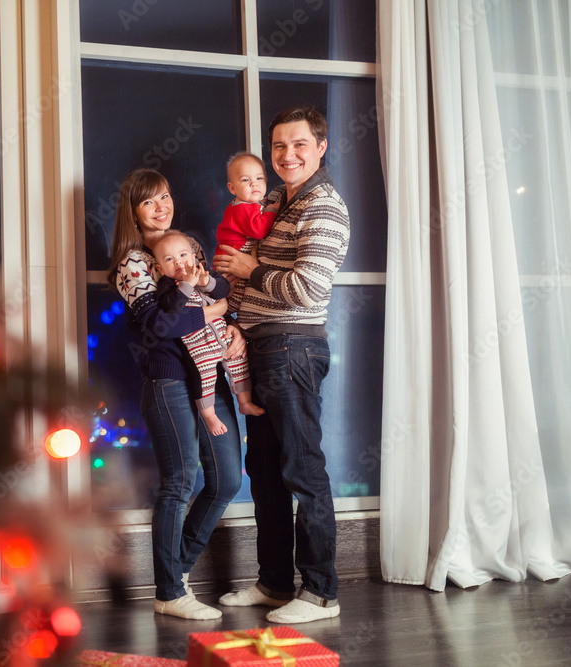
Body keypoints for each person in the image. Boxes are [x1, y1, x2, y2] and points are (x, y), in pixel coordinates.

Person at [213, 104, 350, 624]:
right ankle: (274, 582)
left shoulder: (325, 208)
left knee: (302, 468)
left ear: (320, 147)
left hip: (294, 347)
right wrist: (236, 320)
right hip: (259, 344)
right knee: (264, 472)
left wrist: (252, 265)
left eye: (298, 145)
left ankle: (320, 592)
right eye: (278, 147)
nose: (286, 155)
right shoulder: (274, 200)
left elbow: (305, 287)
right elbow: (248, 277)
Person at [106, 168, 244, 621]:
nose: (161, 206)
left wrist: (221, 302)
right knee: (180, 480)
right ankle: (169, 589)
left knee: (225, 479)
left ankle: (175, 572)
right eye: (149, 201)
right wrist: (217, 311)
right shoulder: (133, 263)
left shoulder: (189, 247)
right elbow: (160, 326)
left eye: (165, 196)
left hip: (209, 376)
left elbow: (222, 290)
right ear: (133, 212)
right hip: (166, 380)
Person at [150, 231, 264, 436]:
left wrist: (205, 283)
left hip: (222, 335)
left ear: (193, 257)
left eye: (183, 255)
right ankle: (210, 416)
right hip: (198, 345)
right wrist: (188, 284)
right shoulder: (167, 287)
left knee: (239, 363)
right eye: (169, 259)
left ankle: (244, 402)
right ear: (160, 268)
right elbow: (172, 308)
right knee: (205, 377)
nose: (179, 262)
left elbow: (222, 290)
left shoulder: (204, 274)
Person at [214, 152, 280, 316]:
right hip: (231, 262)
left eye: (259, 178)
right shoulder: (242, 207)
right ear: (232, 188)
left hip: (235, 258)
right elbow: (258, 230)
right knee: (231, 299)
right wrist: (271, 210)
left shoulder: (248, 205)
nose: (254, 184)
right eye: (245, 180)